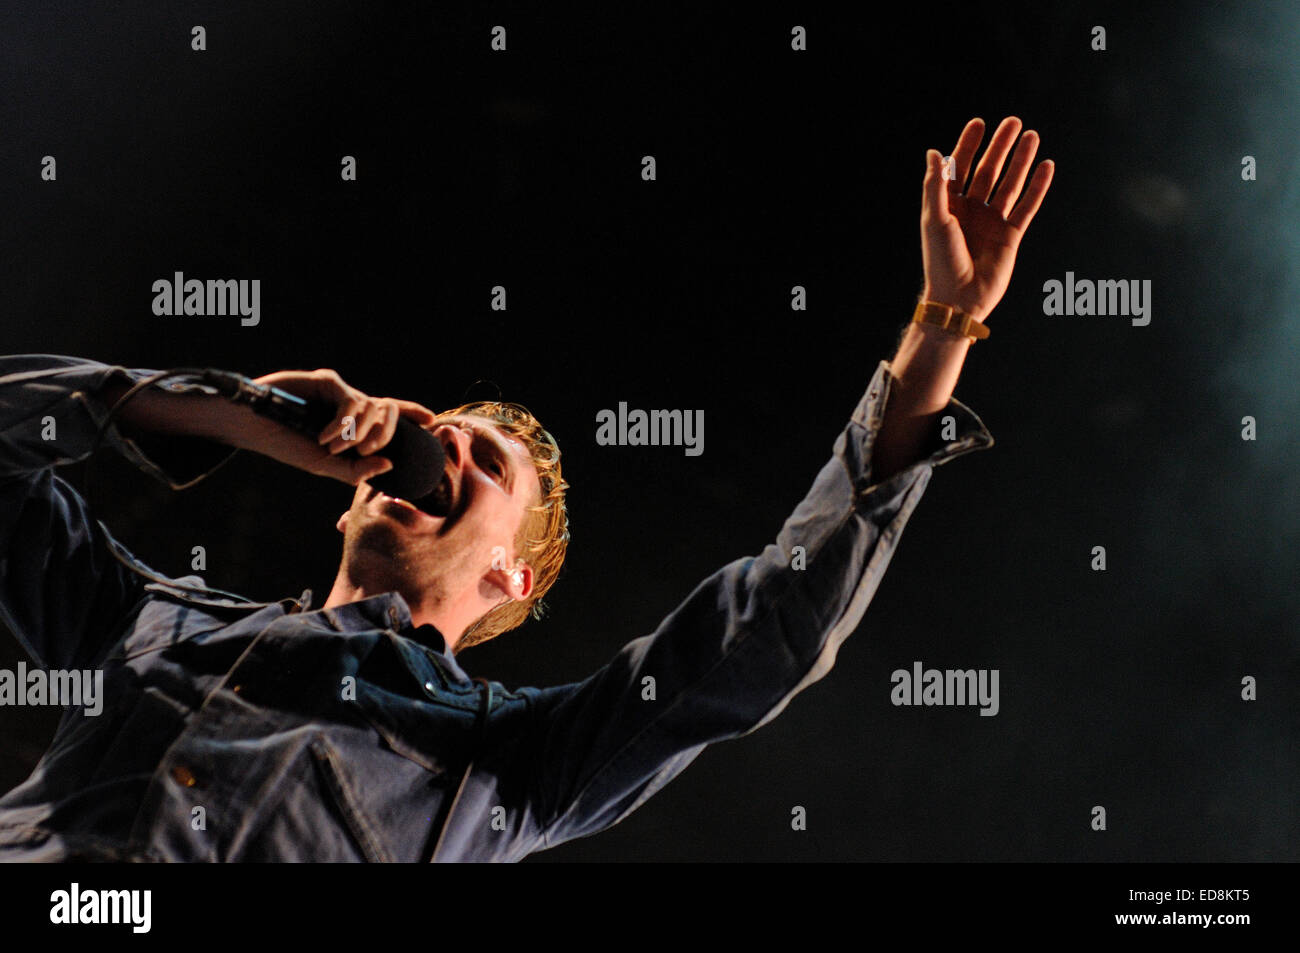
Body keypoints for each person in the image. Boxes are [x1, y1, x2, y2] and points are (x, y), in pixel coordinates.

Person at [0, 116, 1052, 861]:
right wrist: (234, 414)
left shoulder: (507, 762)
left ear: (511, 574)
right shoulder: (149, 619)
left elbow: (771, 632)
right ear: (347, 495)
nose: (433, 448)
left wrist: (940, 331)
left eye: (482, 461)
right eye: (431, 433)